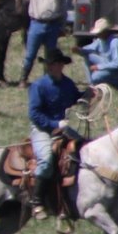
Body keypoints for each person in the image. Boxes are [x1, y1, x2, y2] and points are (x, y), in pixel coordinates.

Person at [27, 47, 90, 219]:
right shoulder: (38, 86)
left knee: (86, 147)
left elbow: (75, 98)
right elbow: (34, 114)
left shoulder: (67, 83)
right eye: (55, 64)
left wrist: (88, 95)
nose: (59, 66)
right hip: (43, 130)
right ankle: (36, 201)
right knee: (46, 160)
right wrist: (55, 124)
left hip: (63, 128)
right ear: (49, 66)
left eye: (60, 63)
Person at [18, 0, 68, 86]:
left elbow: (62, 11)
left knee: (50, 55)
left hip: (53, 25)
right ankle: (23, 79)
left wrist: (62, 27)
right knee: (30, 54)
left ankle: (48, 79)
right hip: (36, 24)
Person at [79, 17, 118, 90]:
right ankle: (92, 85)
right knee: (87, 55)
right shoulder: (100, 40)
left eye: (100, 32)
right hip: (108, 63)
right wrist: (80, 50)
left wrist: (98, 67)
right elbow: (89, 49)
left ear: (106, 31)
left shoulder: (116, 43)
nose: (98, 35)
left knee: (96, 77)